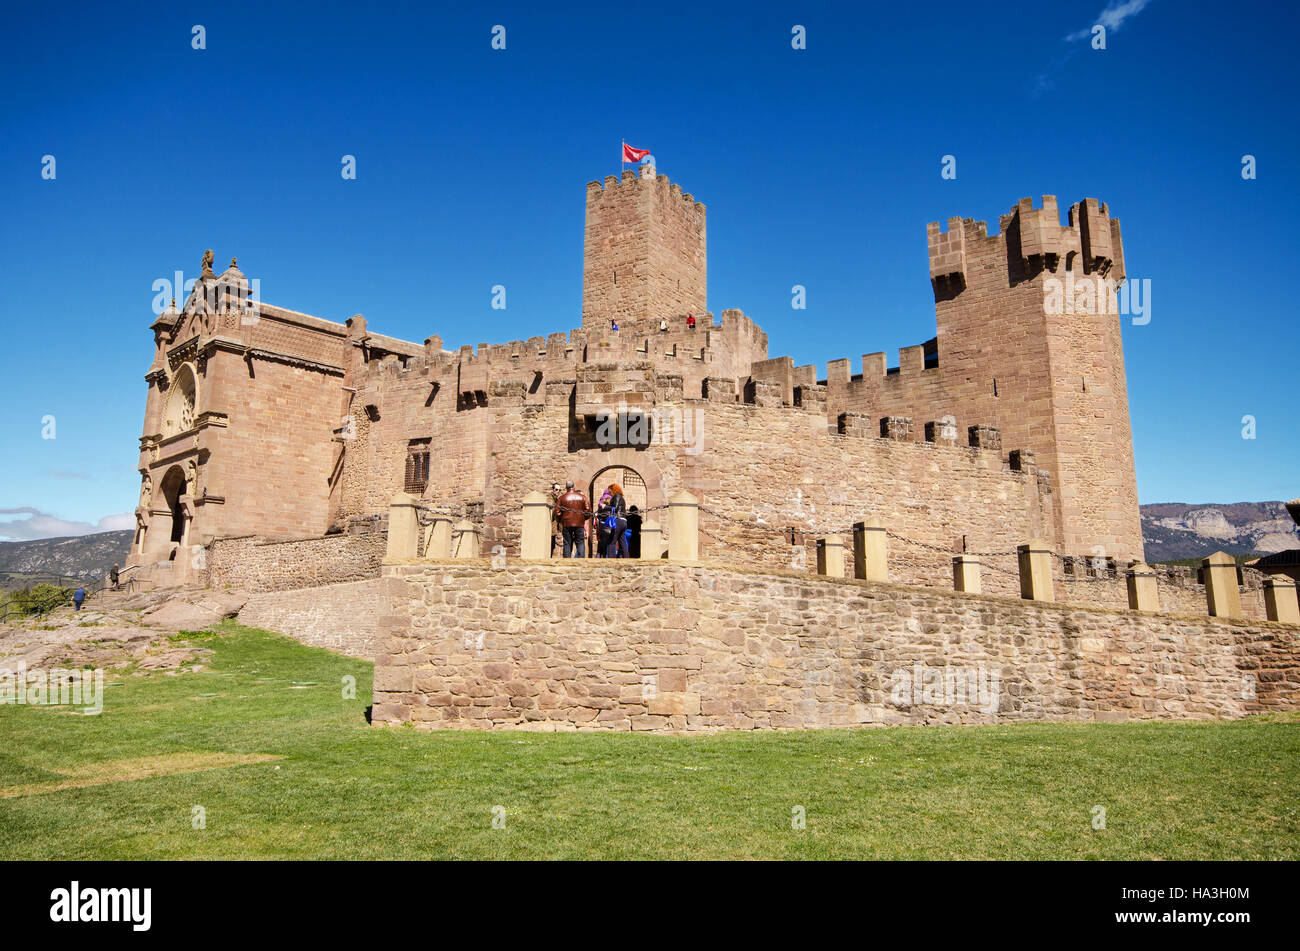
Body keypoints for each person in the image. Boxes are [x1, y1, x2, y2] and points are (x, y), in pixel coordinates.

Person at [554, 481, 588, 558]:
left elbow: (557, 512)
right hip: (579, 523)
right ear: (574, 487)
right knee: (580, 542)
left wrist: (561, 520)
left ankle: (567, 561)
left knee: (567, 543)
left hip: (566, 523)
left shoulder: (562, 498)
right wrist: (582, 519)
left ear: (566, 488)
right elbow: (588, 511)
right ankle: (581, 561)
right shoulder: (582, 497)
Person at [606, 484, 629, 558]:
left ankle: (611, 559)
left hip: (618, 520)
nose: (609, 492)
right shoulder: (621, 498)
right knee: (622, 541)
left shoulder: (616, 496)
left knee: (612, 541)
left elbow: (615, 508)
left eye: (609, 490)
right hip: (623, 521)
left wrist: (605, 506)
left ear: (613, 490)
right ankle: (626, 558)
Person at [594, 491, 613, 558]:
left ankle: (601, 555)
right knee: (610, 541)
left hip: (602, 524)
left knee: (602, 541)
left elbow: (598, 513)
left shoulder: (601, 502)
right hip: (610, 524)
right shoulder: (612, 502)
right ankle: (609, 555)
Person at [549, 483, 563, 557]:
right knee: (549, 545)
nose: (558, 491)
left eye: (559, 490)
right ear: (553, 490)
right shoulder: (550, 499)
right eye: (556, 489)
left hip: (554, 527)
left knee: (552, 545)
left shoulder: (557, 500)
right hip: (549, 526)